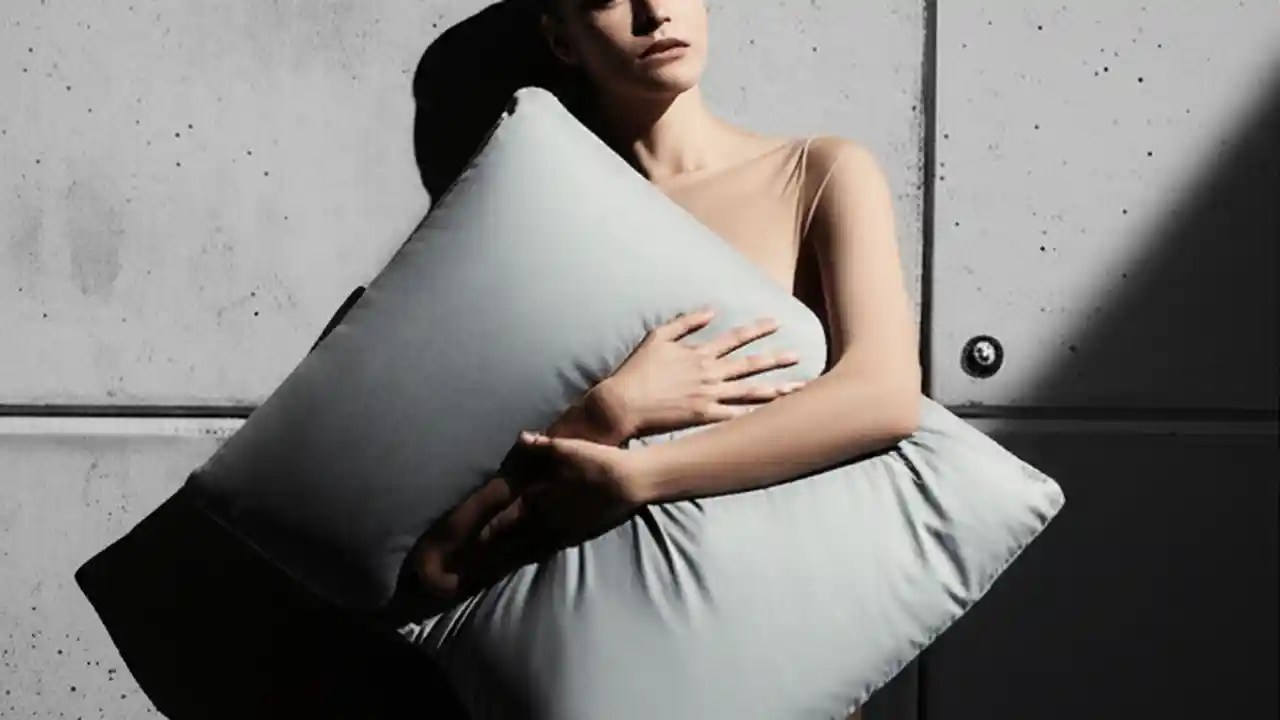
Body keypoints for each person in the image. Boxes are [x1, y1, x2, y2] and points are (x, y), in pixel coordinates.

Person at [406, 1, 922, 717]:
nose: (656, 13)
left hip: (793, 663)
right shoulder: (538, 231)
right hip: (612, 669)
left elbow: (885, 395)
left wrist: (642, 477)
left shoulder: (816, 173)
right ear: (562, 37)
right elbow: (439, 565)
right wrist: (611, 411)